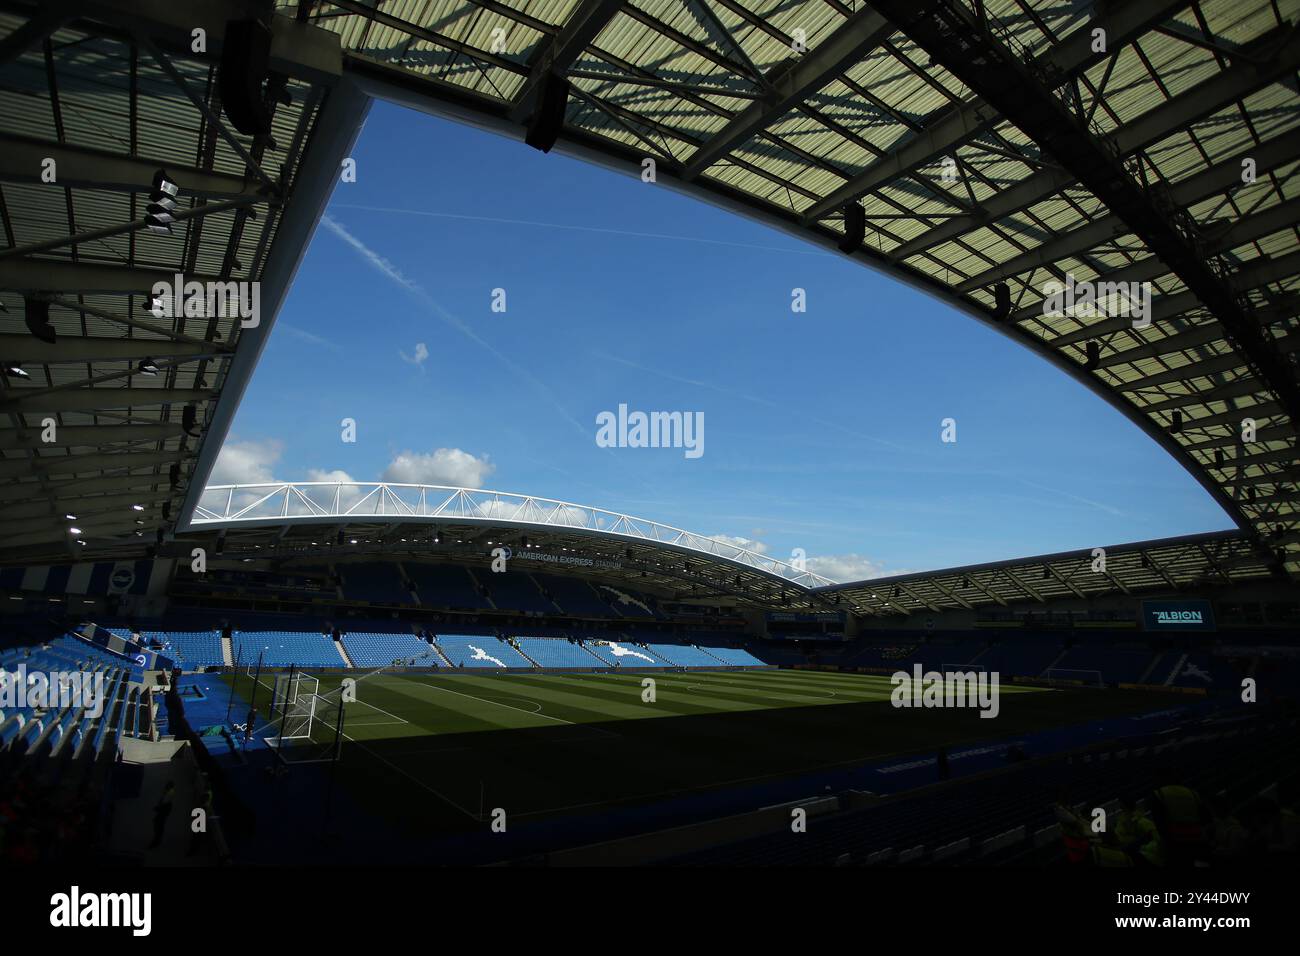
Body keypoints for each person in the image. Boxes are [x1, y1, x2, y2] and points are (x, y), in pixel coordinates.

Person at [148, 781, 175, 849]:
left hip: (163, 810)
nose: (165, 787)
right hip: (164, 810)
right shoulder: (169, 792)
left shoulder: (169, 794)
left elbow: (164, 803)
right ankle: (157, 840)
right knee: (158, 824)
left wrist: (158, 808)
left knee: (158, 825)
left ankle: (156, 841)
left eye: (166, 786)